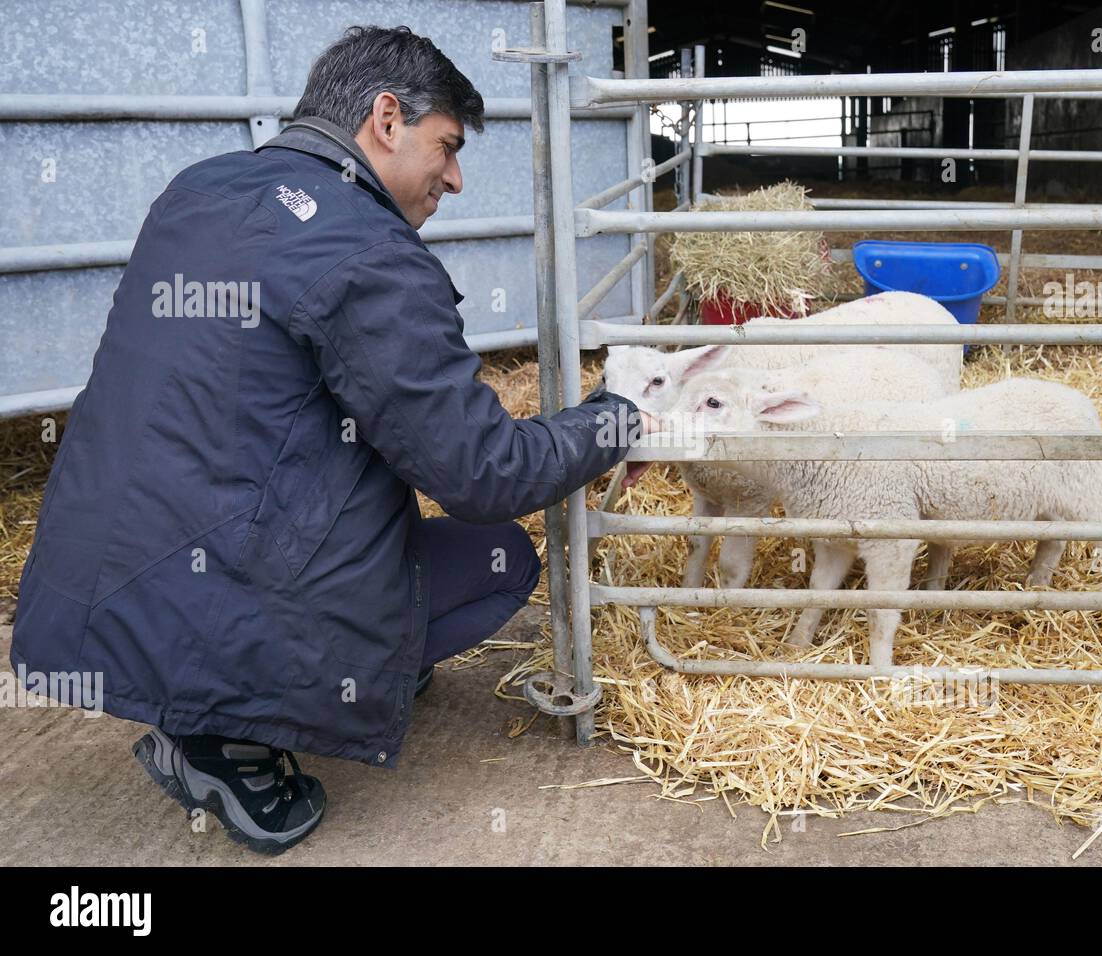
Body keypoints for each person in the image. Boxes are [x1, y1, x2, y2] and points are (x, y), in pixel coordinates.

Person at [10, 25, 640, 855]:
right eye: (446, 147)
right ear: (386, 119)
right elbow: (483, 474)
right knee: (501, 561)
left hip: (87, 584)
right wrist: (613, 419)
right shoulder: (370, 254)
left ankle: (214, 689)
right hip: (225, 594)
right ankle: (230, 741)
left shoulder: (198, 190)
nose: (453, 177)